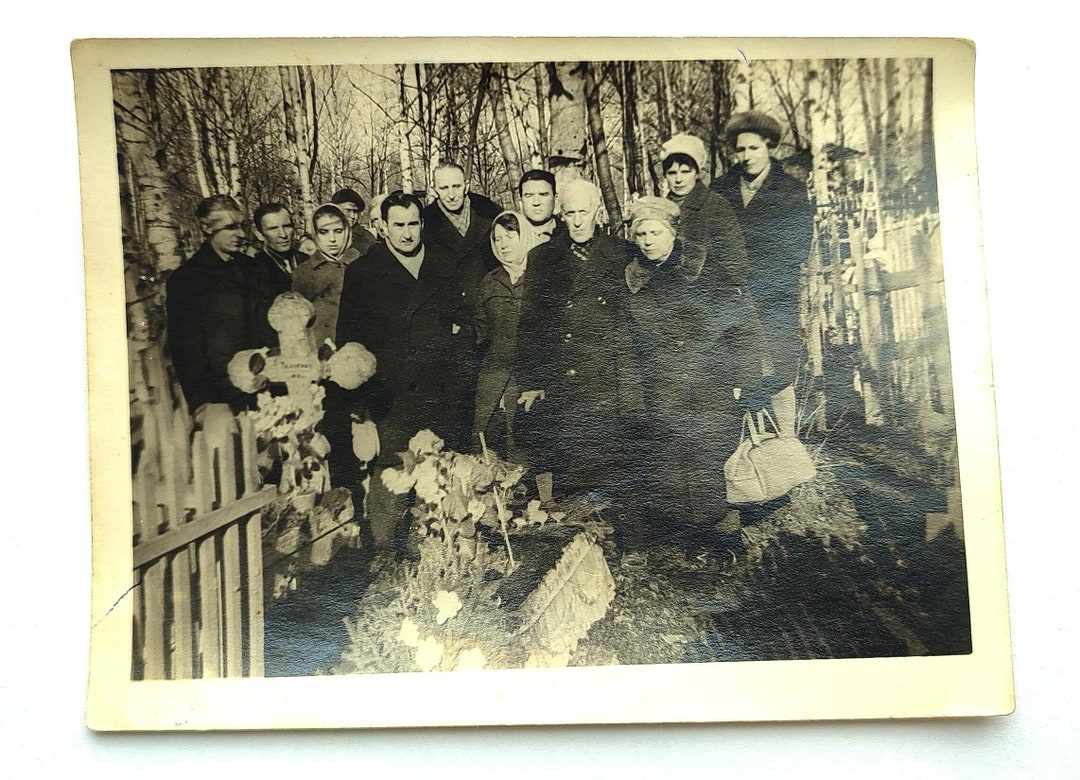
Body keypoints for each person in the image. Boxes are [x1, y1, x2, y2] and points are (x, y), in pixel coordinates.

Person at [337, 191, 471, 555]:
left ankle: (439, 550)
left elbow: (466, 325)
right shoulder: (363, 272)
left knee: (437, 473)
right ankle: (385, 553)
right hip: (388, 396)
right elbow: (349, 345)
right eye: (398, 225)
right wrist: (360, 408)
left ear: (422, 224)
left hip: (438, 392)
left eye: (413, 224)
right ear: (382, 227)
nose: (407, 233)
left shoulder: (444, 265)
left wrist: (456, 376)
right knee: (392, 476)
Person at [623, 196, 746, 557]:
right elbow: (627, 347)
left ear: (672, 231)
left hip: (710, 381)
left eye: (655, 232)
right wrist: (634, 398)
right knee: (675, 464)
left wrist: (741, 376)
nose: (647, 240)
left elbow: (735, 320)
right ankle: (690, 539)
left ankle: (726, 538)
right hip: (663, 387)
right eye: (641, 233)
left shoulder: (703, 267)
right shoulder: (634, 280)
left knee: (712, 455)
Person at [516, 179, 643, 503]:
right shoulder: (542, 258)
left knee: (616, 464)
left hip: (608, 375)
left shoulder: (623, 253)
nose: (576, 220)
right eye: (569, 213)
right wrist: (531, 381)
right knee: (571, 467)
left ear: (597, 210)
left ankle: (623, 539)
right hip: (565, 376)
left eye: (583, 212)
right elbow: (531, 325)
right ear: (561, 213)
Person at [711, 111, 815, 436]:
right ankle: (748, 459)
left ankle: (787, 450)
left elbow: (797, 247)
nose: (746, 157)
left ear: (769, 147)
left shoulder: (791, 191)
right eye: (740, 150)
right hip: (732, 301)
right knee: (738, 377)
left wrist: (753, 265)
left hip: (775, 299)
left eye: (754, 149)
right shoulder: (720, 190)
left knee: (779, 376)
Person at [166, 195, 274, 416]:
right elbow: (187, 352)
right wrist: (203, 404)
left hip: (268, 388)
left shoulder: (256, 270)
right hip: (223, 398)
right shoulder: (187, 280)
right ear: (206, 228)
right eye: (231, 227)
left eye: (242, 226)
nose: (242, 234)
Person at [472, 211, 530, 457]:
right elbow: (479, 330)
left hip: (530, 379)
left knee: (526, 449)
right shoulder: (490, 282)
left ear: (524, 237)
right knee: (486, 445)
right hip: (493, 377)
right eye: (497, 238)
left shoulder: (542, 277)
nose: (503, 243)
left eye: (510, 235)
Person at [659, 133, 748, 287]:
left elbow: (736, 264)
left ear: (697, 173)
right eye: (672, 173)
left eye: (685, 172)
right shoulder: (659, 209)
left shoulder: (716, 206)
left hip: (709, 295)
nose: (678, 179)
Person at [293, 203, 361, 347]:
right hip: (319, 349)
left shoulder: (362, 265)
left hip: (356, 350)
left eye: (338, 231)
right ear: (315, 234)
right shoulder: (304, 273)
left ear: (347, 231)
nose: (332, 239)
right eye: (324, 232)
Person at [251, 202, 308, 298]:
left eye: (287, 226)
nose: (283, 234)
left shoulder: (307, 260)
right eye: (273, 229)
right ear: (259, 234)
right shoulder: (254, 270)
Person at [517, 169, 563, 248]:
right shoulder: (504, 236)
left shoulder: (572, 235)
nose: (536, 203)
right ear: (520, 200)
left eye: (543, 195)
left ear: (555, 199)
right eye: (529, 196)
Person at [331, 187, 378, 257]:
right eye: (348, 210)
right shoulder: (325, 234)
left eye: (355, 211)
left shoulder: (366, 238)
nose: (352, 216)